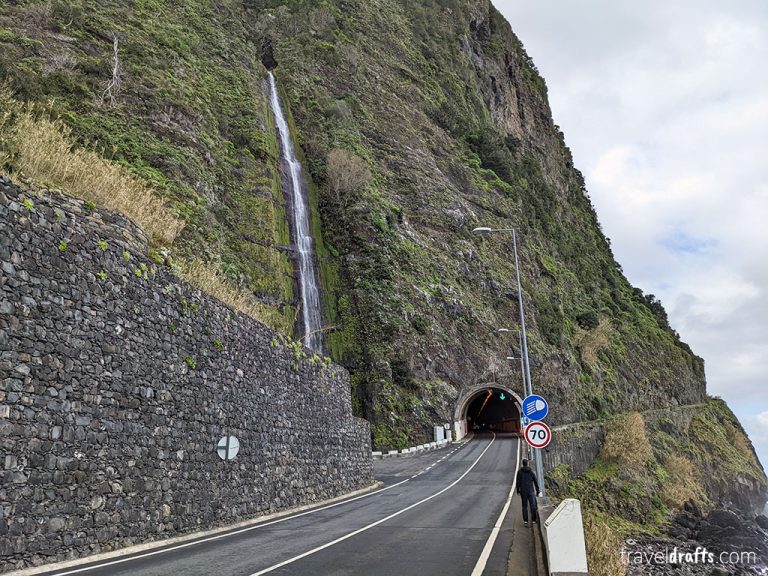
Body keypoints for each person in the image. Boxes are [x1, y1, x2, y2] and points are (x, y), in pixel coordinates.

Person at [516, 458, 540, 527]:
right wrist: (537, 490)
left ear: (522, 464)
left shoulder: (520, 472)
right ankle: (533, 520)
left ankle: (526, 521)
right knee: (533, 505)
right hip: (530, 491)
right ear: (527, 463)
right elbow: (535, 481)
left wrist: (518, 490)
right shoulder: (531, 472)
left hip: (523, 491)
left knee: (524, 506)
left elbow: (517, 482)